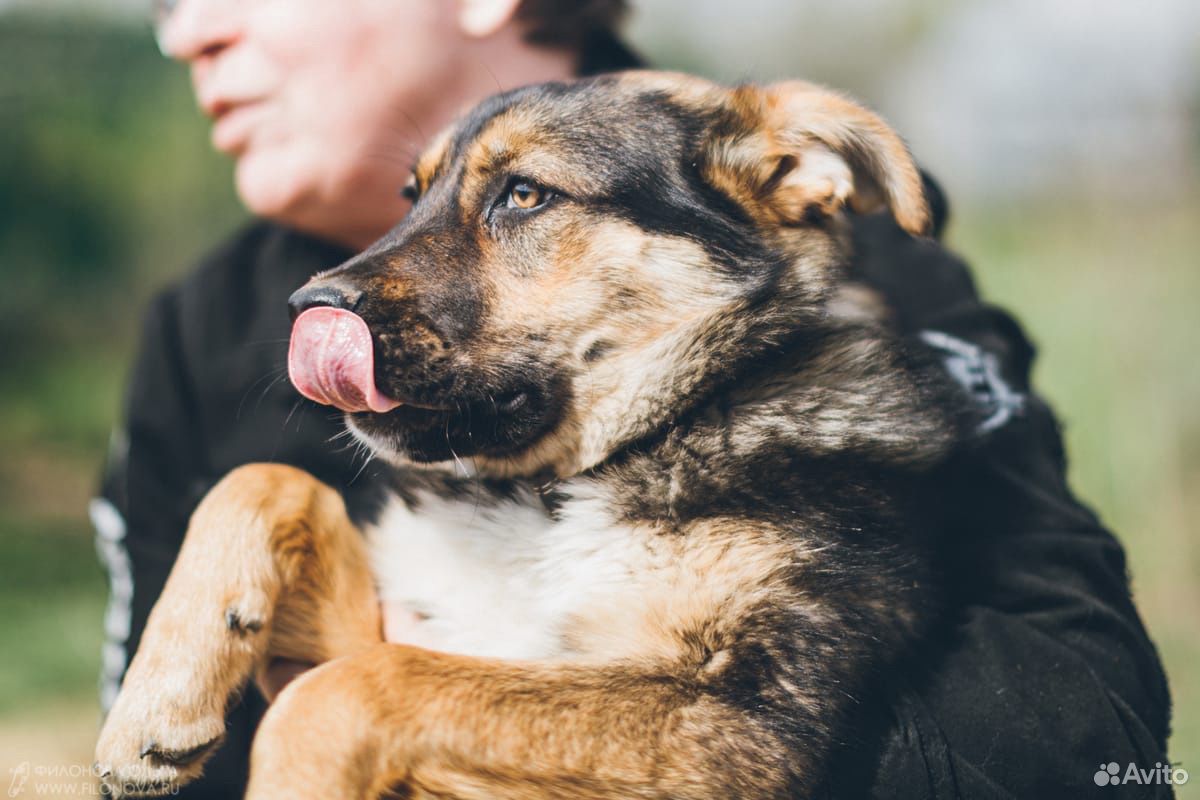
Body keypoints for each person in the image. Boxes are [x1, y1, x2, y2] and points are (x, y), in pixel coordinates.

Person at [92, 1, 1173, 797]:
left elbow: (1091, 741)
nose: (186, 31)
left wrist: (443, 714)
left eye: (519, 198)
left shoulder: (804, 250)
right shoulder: (202, 325)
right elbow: (153, 759)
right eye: (420, 200)